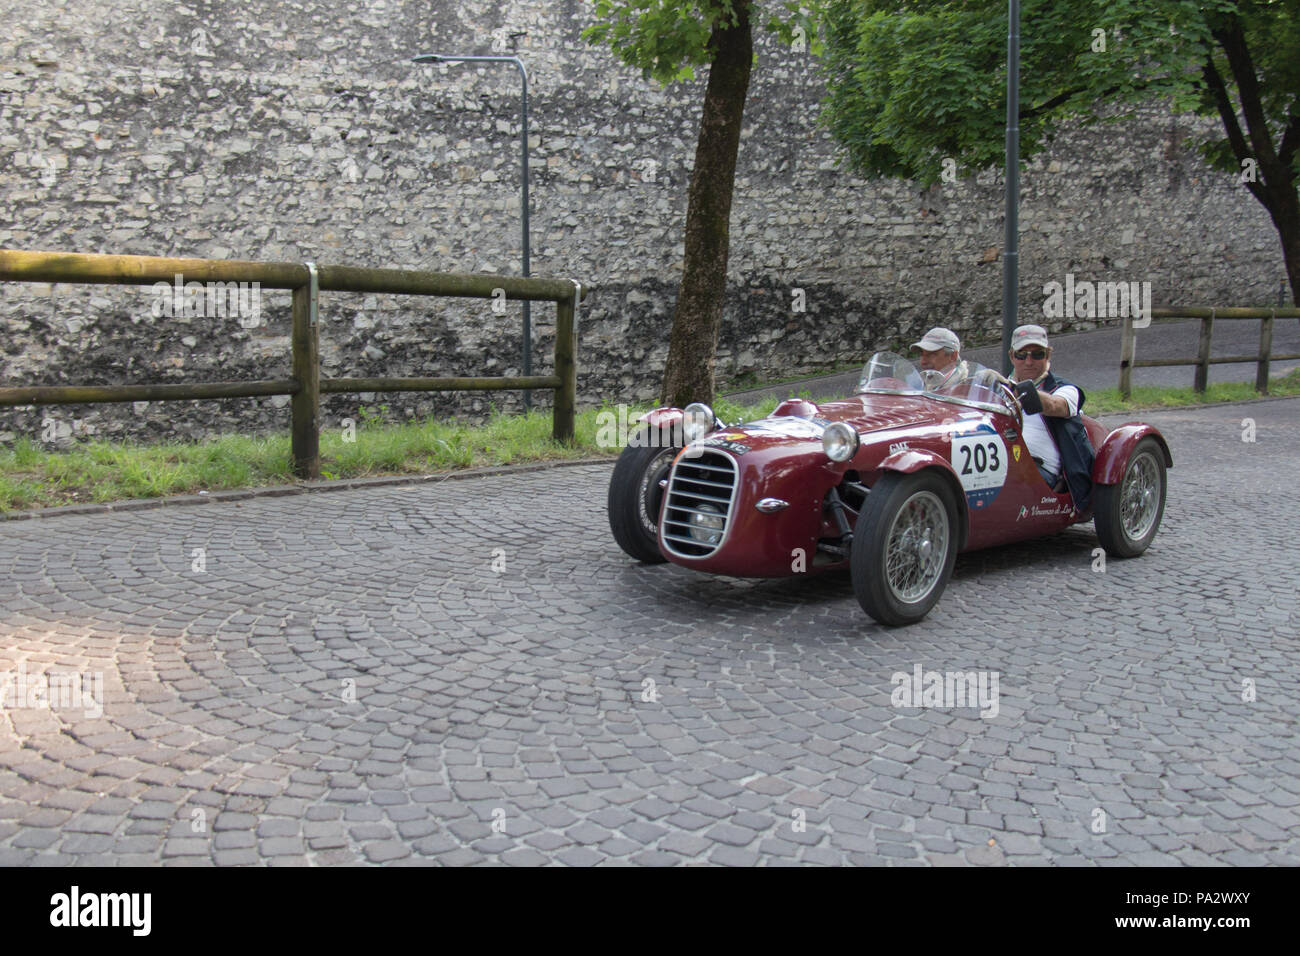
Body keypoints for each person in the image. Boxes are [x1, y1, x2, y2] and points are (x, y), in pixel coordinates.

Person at [1007, 325, 1095, 511]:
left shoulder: (1065, 389)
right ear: (1012, 356)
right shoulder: (1000, 388)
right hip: (1002, 461)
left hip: (1039, 470)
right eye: (1022, 355)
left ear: (1048, 356)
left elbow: (1057, 406)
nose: (1029, 362)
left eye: (1037, 354)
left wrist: (1026, 392)